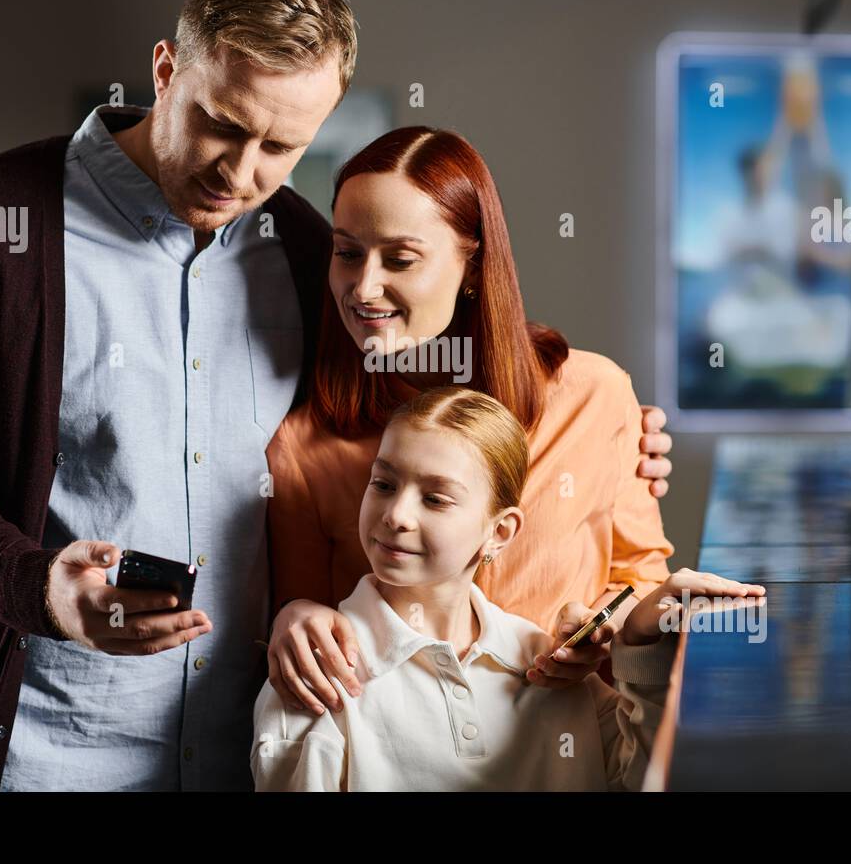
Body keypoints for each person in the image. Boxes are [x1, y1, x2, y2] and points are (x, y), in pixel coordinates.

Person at [0, 0, 673, 792]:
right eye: (221, 124)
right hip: (33, 753)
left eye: (282, 145)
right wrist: (40, 591)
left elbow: (421, 352)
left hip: (244, 754)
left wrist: (602, 414)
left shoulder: (304, 250)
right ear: (166, 69)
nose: (240, 174)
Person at [264, 126, 677, 718]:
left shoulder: (596, 396)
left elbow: (641, 577)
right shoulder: (305, 445)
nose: (363, 287)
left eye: (401, 259)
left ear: (474, 265)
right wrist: (292, 619)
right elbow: (302, 614)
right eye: (348, 252)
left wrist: (600, 627)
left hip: (567, 751)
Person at [252, 386, 763, 790]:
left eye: (435, 498)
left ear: (499, 532)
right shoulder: (315, 676)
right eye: (383, 484)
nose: (395, 516)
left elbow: (641, 780)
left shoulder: (550, 665)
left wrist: (645, 646)